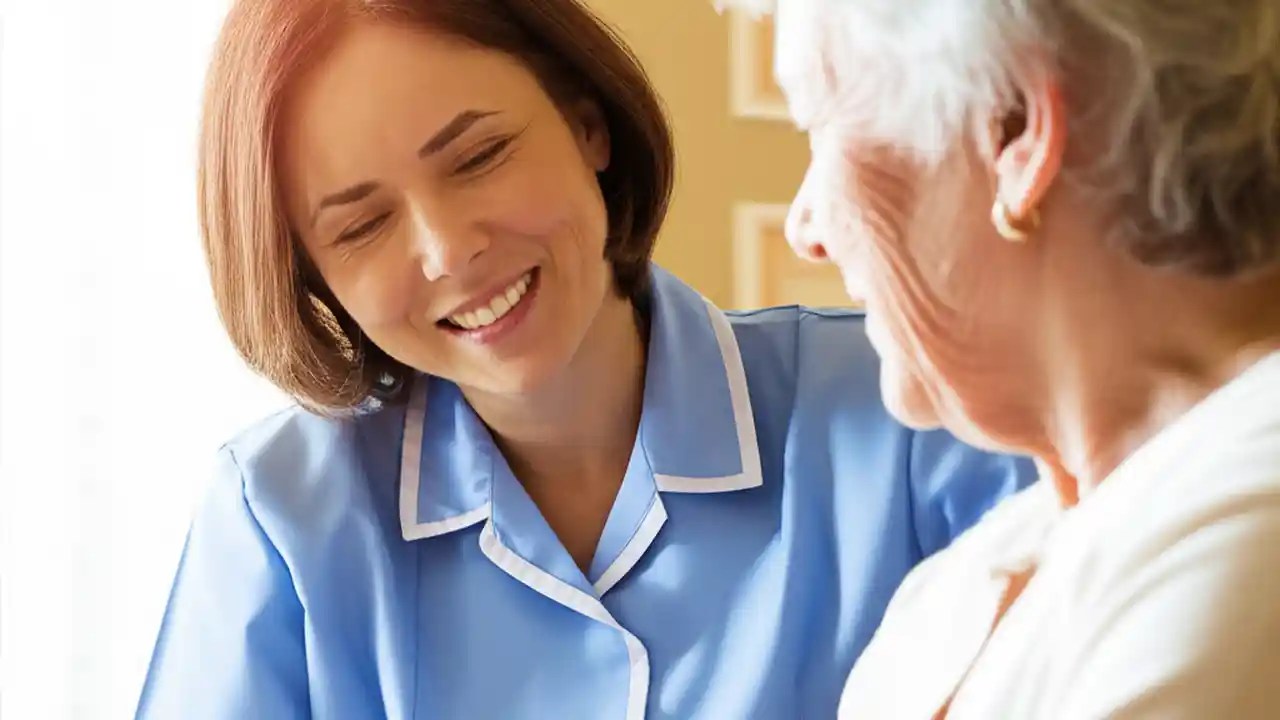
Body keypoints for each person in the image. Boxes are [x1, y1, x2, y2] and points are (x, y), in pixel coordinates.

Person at [134, 1, 1034, 718]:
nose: (447, 250)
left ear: (587, 126)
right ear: (316, 278)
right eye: (363, 225)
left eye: (480, 156)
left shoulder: (913, 408)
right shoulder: (281, 523)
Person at [722, 0, 1280, 715]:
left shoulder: (1241, 529)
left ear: (1013, 128)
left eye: (817, 126)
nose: (805, 227)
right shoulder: (959, 585)